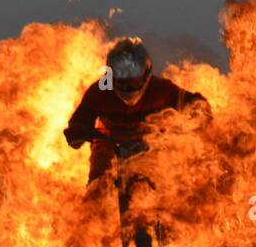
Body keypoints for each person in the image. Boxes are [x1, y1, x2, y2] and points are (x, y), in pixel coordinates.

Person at [64, 38, 210, 185]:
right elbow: (80, 119)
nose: (127, 87)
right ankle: (94, 204)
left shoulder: (161, 89)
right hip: (108, 142)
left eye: (133, 80)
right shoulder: (100, 91)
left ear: (146, 74)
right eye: (121, 79)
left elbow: (195, 103)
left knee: (167, 183)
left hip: (151, 143)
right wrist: (76, 132)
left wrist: (197, 116)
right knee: (98, 185)